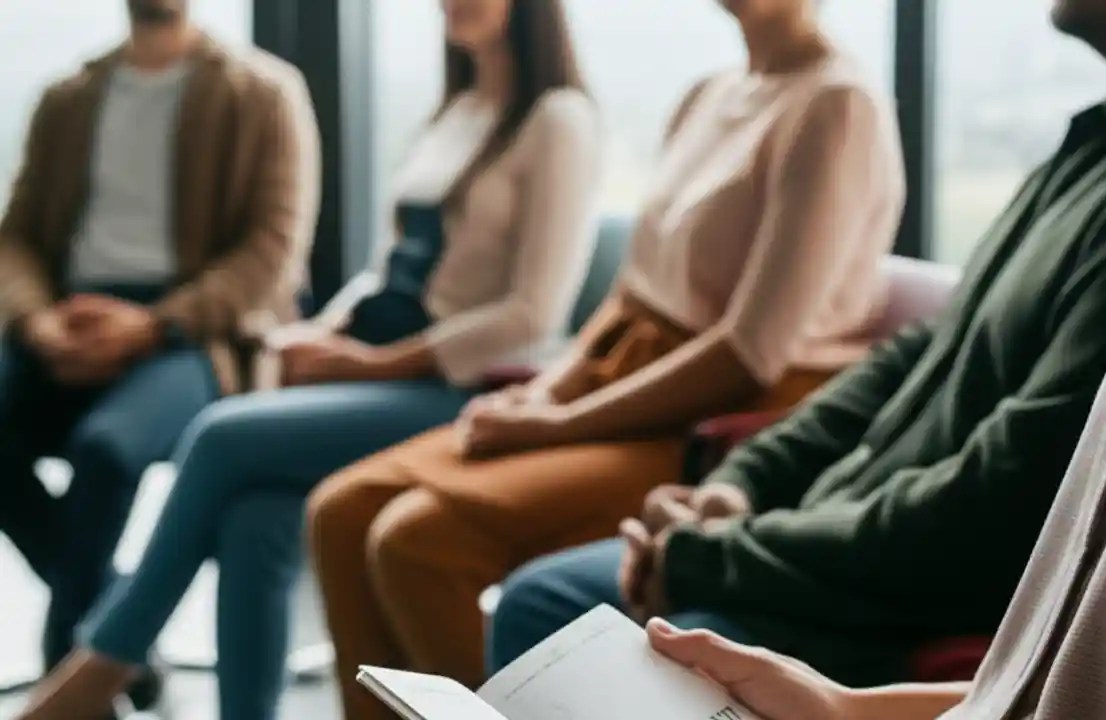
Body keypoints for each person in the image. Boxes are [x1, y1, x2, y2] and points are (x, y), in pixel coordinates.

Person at [489, 0, 1106, 692]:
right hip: (828, 537)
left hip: (893, 611)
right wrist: (744, 485)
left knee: (547, 608)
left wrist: (714, 556)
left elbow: (1006, 506)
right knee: (539, 592)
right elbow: (917, 355)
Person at [307, 0, 906, 714]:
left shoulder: (837, 106)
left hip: (717, 420)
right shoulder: (709, 93)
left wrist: (560, 425)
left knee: (418, 542)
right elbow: (631, 294)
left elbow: (749, 354)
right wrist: (546, 392)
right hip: (624, 381)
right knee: (339, 513)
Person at [17, 0, 602, 717]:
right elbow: (389, 274)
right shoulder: (458, 111)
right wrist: (322, 337)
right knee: (255, 515)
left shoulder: (559, 120)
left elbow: (530, 317)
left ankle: (94, 674)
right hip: (387, 363)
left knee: (223, 434)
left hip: (468, 388)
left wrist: (366, 368)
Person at [642, 128, 1106, 720]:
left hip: (855, 597)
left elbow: (992, 506)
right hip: (839, 591)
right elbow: (1094, 668)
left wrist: (718, 555)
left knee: (558, 610)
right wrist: (849, 712)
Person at [0, 0, 318, 707]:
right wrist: (36, 322)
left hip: (189, 336)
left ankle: (67, 679)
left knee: (107, 452)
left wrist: (150, 325)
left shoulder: (262, 93)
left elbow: (271, 255)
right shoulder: (68, 98)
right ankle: (118, 630)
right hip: (68, 318)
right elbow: (15, 235)